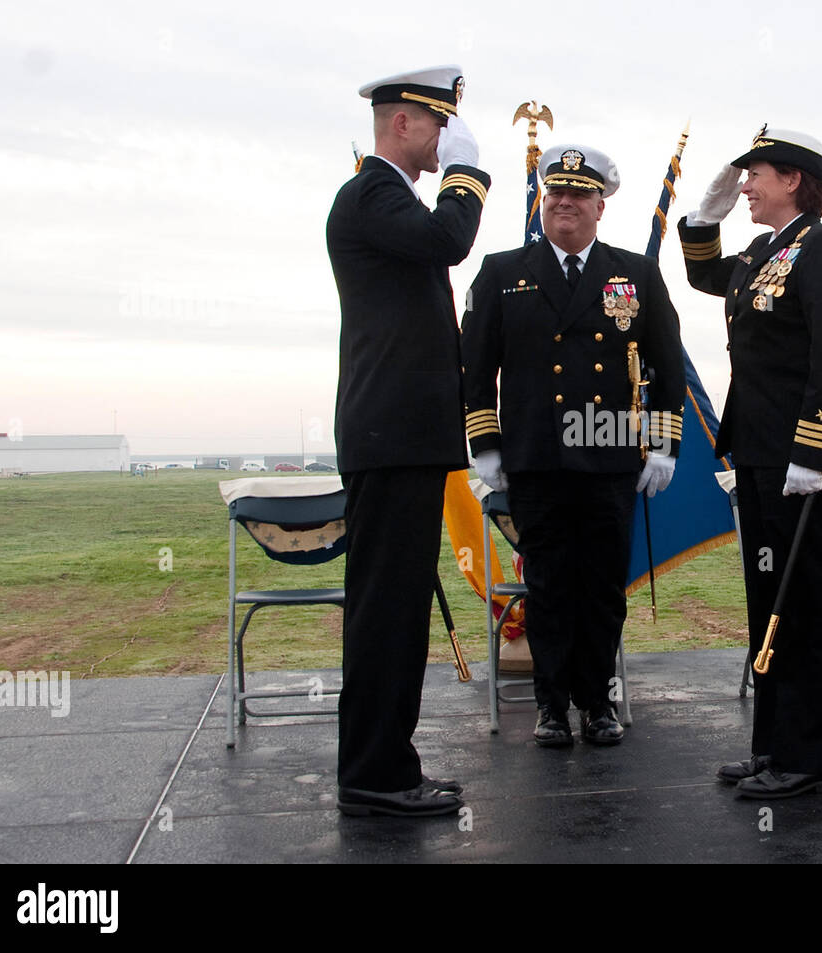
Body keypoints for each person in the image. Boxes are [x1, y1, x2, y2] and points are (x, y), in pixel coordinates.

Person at [461, 144, 685, 747]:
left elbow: (667, 367)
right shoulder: (502, 273)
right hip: (535, 458)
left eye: (579, 194)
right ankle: (551, 706)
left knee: (603, 588)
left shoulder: (634, 274)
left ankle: (598, 701)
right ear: (542, 200)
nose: (565, 202)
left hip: (608, 456)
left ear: (600, 205)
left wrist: (662, 445)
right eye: (555, 191)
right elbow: (475, 369)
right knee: (550, 586)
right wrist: (485, 442)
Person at [678, 126, 822, 798]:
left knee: (808, 604)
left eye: (754, 173)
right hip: (760, 454)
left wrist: (815, 451)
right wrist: (703, 219)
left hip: (802, 458)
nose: (746, 185)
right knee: (770, 602)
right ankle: (774, 745)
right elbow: (706, 274)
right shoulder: (764, 251)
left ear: (793, 178)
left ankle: (812, 757)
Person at [326, 65, 490, 817]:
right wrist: (470, 170)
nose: (445, 137)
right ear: (404, 124)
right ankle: (374, 773)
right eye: (439, 125)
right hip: (391, 436)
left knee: (394, 610)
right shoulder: (373, 195)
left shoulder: (383, 196)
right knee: (385, 612)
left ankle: (386, 764)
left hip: (403, 437)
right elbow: (449, 240)